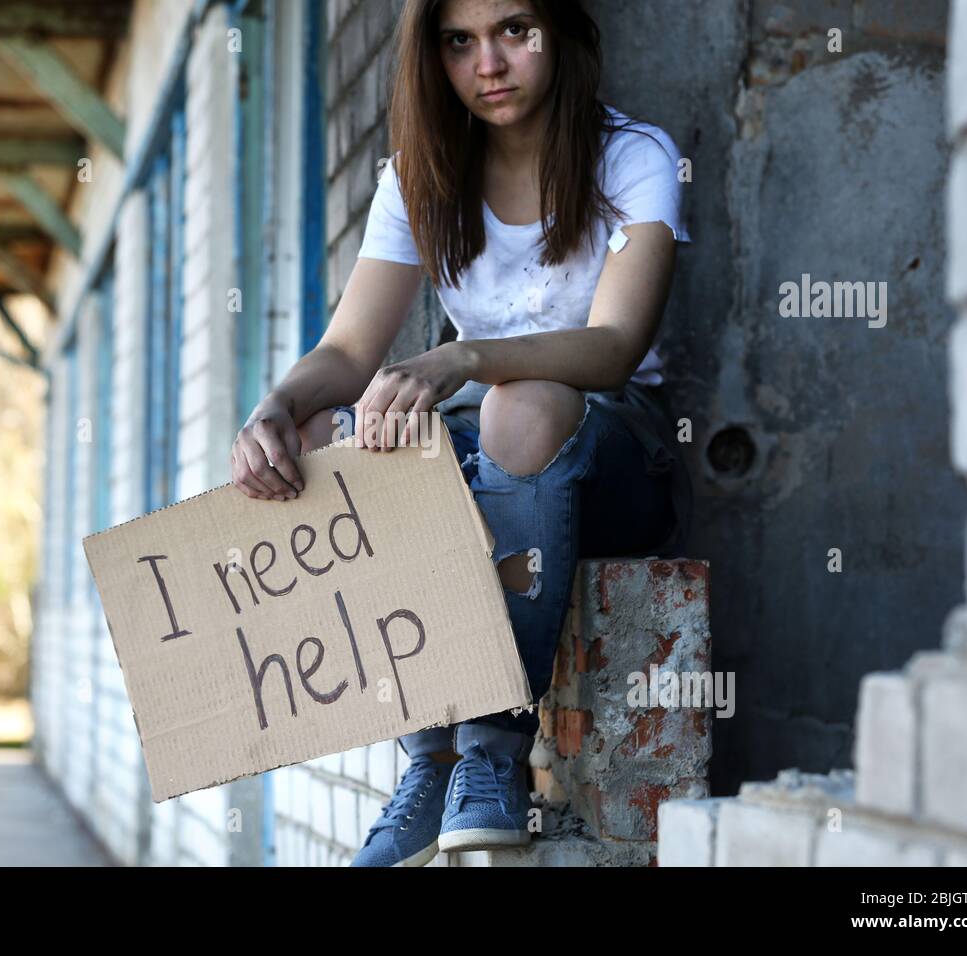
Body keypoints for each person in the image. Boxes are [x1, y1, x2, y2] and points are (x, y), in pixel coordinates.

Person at [229, 0, 693, 867]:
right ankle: (427, 760)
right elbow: (346, 348)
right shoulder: (420, 179)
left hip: (614, 463)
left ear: (560, 31)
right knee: (337, 429)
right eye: (459, 42)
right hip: (490, 457)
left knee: (516, 405)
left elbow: (615, 346)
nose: (490, 63)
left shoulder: (633, 157)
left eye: (516, 30)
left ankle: (491, 751)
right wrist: (274, 408)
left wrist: (465, 358)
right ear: (433, 57)